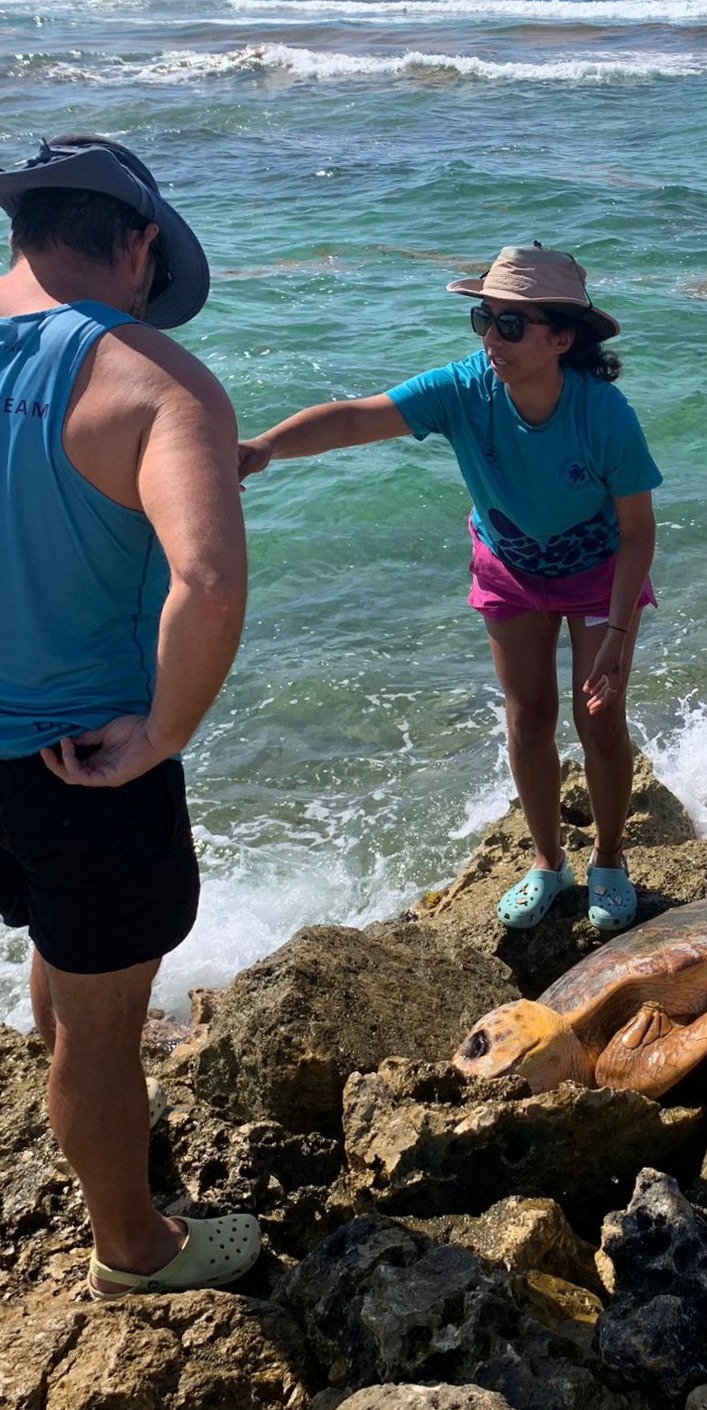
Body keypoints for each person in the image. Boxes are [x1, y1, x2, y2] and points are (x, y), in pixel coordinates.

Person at [0, 136, 259, 1295]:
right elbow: (206, 584)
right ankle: (135, 1250)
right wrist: (162, 734)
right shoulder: (155, 383)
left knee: (63, 964)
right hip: (79, 761)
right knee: (105, 1028)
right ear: (143, 242)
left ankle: (76, 1136)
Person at [239, 244, 661, 933]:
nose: (492, 338)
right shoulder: (465, 390)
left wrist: (617, 634)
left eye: (511, 325)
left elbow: (638, 533)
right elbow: (357, 417)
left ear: (561, 338)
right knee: (528, 719)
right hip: (511, 568)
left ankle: (610, 860)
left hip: (597, 576)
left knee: (599, 722)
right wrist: (266, 447)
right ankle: (548, 861)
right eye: (484, 320)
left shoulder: (604, 414)